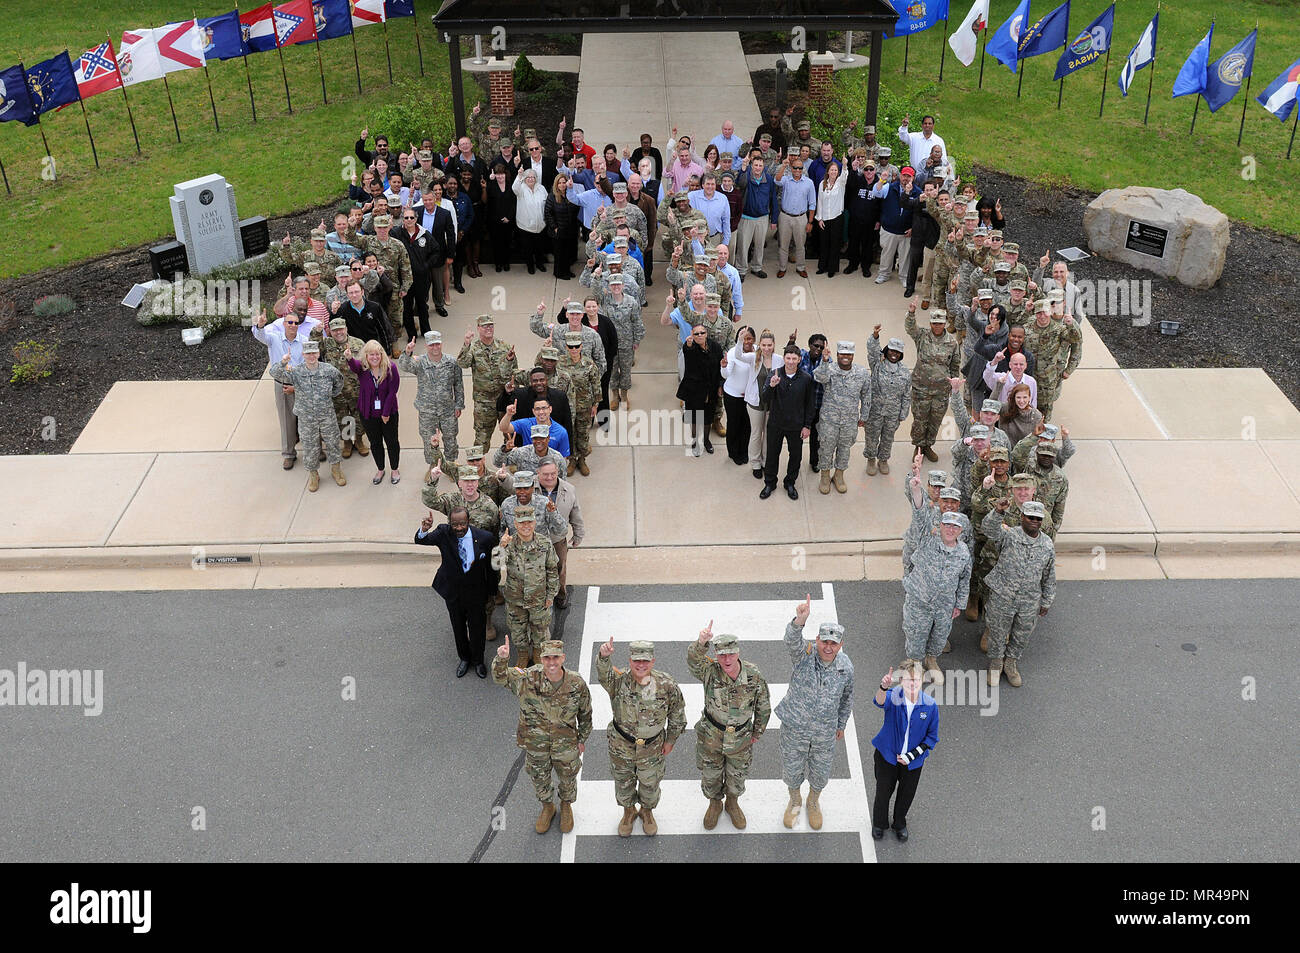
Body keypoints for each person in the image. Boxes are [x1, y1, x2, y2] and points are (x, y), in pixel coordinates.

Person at [493, 638, 592, 834]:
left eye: (556, 657)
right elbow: (501, 677)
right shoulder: (528, 678)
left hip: (566, 743)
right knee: (539, 776)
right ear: (541, 658)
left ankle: (565, 805)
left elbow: (585, 714)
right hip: (535, 742)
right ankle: (548, 807)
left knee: (568, 776)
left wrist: (582, 739)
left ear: (563, 658)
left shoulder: (576, 683)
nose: (552, 662)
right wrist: (501, 659)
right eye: (547, 658)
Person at [596, 636, 686, 837]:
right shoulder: (618, 681)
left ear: (652, 662)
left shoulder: (666, 684)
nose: (641, 665)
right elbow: (603, 675)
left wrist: (670, 740)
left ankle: (647, 812)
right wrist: (603, 657)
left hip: (652, 747)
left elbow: (678, 714)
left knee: (650, 783)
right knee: (623, 781)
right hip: (621, 745)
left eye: (645, 661)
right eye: (637, 660)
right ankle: (628, 812)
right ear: (630, 661)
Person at [778, 595, 854, 830]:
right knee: (791, 770)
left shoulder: (845, 667)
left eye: (834, 643)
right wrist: (799, 622)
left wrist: (841, 724)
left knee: (820, 773)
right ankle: (795, 801)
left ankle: (813, 802)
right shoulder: (805, 656)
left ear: (840, 645)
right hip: (795, 728)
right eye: (825, 642)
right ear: (817, 640)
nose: (828, 647)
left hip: (824, 731)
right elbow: (791, 642)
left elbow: (847, 698)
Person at [687, 624, 771, 830]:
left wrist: (757, 732)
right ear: (716, 654)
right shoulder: (709, 671)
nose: (726, 660)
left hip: (741, 736)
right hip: (711, 735)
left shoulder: (753, 674)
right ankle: (714, 804)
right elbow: (693, 661)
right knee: (711, 774)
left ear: (737, 653)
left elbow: (763, 705)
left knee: (737, 775)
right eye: (722, 655)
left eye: (730, 654)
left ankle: (732, 804)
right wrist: (701, 643)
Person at [416, 504, 499, 678]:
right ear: (449, 523)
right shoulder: (443, 533)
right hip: (453, 592)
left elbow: (493, 567)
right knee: (458, 627)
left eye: (462, 524)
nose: (459, 528)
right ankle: (464, 659)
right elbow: (422, 540)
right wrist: (424, 529)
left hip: (476, 593)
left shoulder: (485, 538)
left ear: (468, 521)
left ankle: (478, 661)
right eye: (455, 525)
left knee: (477, 629)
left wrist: (492, 591)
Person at [980, 499, 1056, 687]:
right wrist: (998, 511)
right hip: (1003, 595)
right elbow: (989, 531)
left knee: (1022, 634)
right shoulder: (1009, 535)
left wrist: (1046, 601)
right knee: (997, 631)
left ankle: (1011, 663)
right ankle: (996, 663)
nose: (1034, 521)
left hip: (1029, 599)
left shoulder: (1046, 544)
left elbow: (1049, 574)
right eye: (1030, 517)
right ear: (1022, 516)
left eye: (1038, 519)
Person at [870, 659, 939, 842]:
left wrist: (911, 756)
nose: (912, 683)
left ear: (922, 680)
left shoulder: (930, 705)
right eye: (907, 680)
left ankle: (899, 823)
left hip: (913, 761)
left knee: (906, 795)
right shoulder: (893, 695)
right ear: (901, 681)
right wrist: (883, 687)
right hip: (887, 756)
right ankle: (879, 823)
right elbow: (879, 702)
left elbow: (932, 737)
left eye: (916, 679)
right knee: (883, 791)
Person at [902, 508, 972, 684]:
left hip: (945, 604)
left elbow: (965, 579)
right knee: (916, 634)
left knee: (940, 635)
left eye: (955, 527)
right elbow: (920, 517)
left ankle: (931, 660)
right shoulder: (928, 540)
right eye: (947, 525)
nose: (950, 530)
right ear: (940, 526)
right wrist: (916, 491)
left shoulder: (963, 552)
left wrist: (959, 604)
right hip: (920, 600)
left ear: (960, 530)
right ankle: (915, 664)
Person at [268, 339, 346, 492]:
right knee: (310, 446)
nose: (311, 356)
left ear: (318, 353)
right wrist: (284, 361)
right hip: (306, 417)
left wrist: (329, 396)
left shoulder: (328, 369)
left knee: (332, 442)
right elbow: (274, 374)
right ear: (303, 355)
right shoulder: (296, 371)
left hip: (326, 415)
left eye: (314, 353)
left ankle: (336, 470)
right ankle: (313, 474)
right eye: (308, 354)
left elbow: (339, 382)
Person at [252, 306, 322, 471]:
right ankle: (289, 454)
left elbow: (313, 361)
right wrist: (260, 325)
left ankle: (315, 450)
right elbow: (260, 335)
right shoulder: (274, 338)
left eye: (295, 323)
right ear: (283, 324)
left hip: (302, 384)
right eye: (289, 322)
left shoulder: (305, 340)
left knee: (309, 419)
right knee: (287, 420)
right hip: (282, 384)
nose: (292, 325)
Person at [498, 505, 558, 669]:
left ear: (534, 522)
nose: (526, 526)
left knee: (540, 630)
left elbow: (552, 570)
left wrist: (551, 595)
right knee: (518, 632)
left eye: (529, 522)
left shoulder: (544, 543)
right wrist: (501, 547)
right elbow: (495, 565)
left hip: (538, 599)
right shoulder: (509, 544)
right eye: (522, 523)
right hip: (515, 600)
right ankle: (523, 655)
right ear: (515, 524)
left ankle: (538, 654)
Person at [400, 331, 464, 484]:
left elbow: (458, 384)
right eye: (431, 344)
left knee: (450, 438)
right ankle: (433, 465)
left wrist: (459, 404)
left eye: (437, 344)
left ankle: (450, 465)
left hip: (448, 409)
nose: (435, 347)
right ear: (427, 346)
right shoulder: (420, 362)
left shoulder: (451, 362)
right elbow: (404, 366)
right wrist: (408, 352)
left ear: (441, 344)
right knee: (429, 440)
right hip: (427, 411)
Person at [811, 340, 872, 494]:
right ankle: (825, 476)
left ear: (852, 355)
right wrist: (824, 360)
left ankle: (839, 475)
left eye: (848, 354)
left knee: (844, 449)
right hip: (829, 421)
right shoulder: (829, 369)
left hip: (849, 421)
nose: (845, 357)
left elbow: (866, 395)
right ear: (837, 355)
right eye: (842, 354)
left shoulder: (861, 373)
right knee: (826, 448)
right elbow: (819, 377)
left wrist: (864, 415)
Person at [906, 301, 962, 462]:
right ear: (930, 323)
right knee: (919, 420)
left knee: (935, 421)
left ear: (945, 324)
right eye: (934, 323)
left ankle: (928, 446)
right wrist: (911, 313)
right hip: (921, 388)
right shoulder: (922, 336)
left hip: (941, 391)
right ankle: (918, 447)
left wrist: (953, 386)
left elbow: (955, 364)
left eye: (940, 323)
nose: (937, 326)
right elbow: (910, 328)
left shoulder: (952, 342)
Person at [758, 345, 815, 500]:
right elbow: (765, 399)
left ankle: (790, 483)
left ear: (799, 360)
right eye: (788, 358)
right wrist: (771, 386)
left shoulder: (806, 379)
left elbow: (810, 404)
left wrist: (807, 426)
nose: (790, 362)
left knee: (795, 456)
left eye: (794, 359)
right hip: (776, 424)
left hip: (796, 426)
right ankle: (770, 482)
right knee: (772, 455)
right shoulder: (774, 375)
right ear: (783, 359)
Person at [458, 315, 518, 451]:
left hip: (504, 397)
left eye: (490, 325)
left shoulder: (505, 346)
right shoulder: (473, 349)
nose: (488, 328)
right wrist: (466, 344)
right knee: (482, 436)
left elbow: (514, 370)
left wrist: (513, 389)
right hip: (483, 401)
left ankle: (510, 458)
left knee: (509, 432)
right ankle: (478, 464)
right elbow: (462, 363)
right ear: (478, 328)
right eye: (484, 326)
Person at [863, 327, 912, 475]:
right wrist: (875, 336)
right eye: (891, 350)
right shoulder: (877, 365)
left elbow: (906, 395)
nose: (894, 354)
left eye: (897, 352)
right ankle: (871, 459)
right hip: (875, 411)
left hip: (893, 413)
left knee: (888, 438)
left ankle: (883, 460)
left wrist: (903, 413)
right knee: (872, 436)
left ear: (901, 354)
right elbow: (872, 351)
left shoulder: (904, 372)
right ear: (886, 350)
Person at [678, 321, 724, 457]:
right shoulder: (690, 347)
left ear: (706, 333)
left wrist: (721, 384)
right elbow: (688, 351)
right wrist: (689, 344)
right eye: (696, 333)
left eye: (702, 333)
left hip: (711, 389)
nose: (699, 335)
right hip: (694, 390)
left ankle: (706, 440)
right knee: (694, 417)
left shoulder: (715, 347)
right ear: (692, 335)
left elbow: (721, 366)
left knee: (708, 417)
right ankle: (694, 441)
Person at [873, 167, 920, 285]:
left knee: (905, 257)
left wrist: (913, 228)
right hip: (889, 229)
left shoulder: (917, 192)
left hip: (906, 231)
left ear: (913, 178)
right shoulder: (890, 186)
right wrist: (881, 181)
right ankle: (883, 274)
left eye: (909, 176)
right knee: (887, 254)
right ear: (900, 176)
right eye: (904, 175)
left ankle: (904, 277)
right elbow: (877, 193)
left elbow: (919, 214)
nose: (906, 179)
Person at [774, 155, 815, 278]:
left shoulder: (809, 183)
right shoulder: (786, 179)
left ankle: (800, 267)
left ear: (803, 169)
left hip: (801, 217)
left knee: (800, 245)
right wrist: (783, 165)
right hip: (785, 216)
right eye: (795, 168)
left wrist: (810, 222)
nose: (797, 170)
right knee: (783, 245)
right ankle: (782, 268)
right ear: (791, 168)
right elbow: (776, 180)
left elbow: (812, 203)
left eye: (800, 168)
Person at [720, 327, 757, 466]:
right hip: (733, 396)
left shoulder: (758, 351)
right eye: (742, 338)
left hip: (749, 397)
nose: (746, 341)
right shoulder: (732, 353)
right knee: (734, 424)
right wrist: (723, 367)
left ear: (754, 339)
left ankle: (744, 450)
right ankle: (733, 452)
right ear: (738, 339)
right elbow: (726, 375)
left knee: (747, 425)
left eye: (749, 338)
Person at [814, 159, 848, 277]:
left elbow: (844, 175)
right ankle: (822, 267)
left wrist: (844, 165)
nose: (833, 172)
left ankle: (832, 269)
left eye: (835, 170)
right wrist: (819, 219)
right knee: (824, 243)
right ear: (828, 171)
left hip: (837, 217)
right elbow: (820, 202)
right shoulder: (822, 184)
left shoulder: (840, 183)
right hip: (824, 218)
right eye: (831, 170)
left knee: (834, 244)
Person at [511, 168, 548, 274]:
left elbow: (546, 204)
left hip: (540, 225)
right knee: (528, 248)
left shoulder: (541, 188)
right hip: (525, 226)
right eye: (528, 177)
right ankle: (530, 266)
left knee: (539, 248)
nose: (531, 179)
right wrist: (519, 175)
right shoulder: (520, 188)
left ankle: (540, 264)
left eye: (533, 177)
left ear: (536, 178)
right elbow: (514, 188)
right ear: (524, 178)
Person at [544, 173, 580, 279]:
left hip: (570, 229)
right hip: (558, 230)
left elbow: (576, 209)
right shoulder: (552, 196)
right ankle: (559, 273)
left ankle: (567, 271)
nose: (562, 185)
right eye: (559, 183)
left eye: (564, 182)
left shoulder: (570, 195)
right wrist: (555, 227)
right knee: (559, 254)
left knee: (568, 253)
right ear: (556, 184)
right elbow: (548, 214)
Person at [485, 162, 516, 272]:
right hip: (495, 221)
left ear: (505, 174)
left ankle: (506, 262)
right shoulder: (491, 186)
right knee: (496, 243)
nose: (500, 176)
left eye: (502, 174)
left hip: (508, 220)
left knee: (507, 242)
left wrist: (509, 217)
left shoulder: (511, 185)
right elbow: (489, 204)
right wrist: (497, 218)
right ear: (494, 175)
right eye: (498, 174)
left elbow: (513, 203)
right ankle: (498, 263)